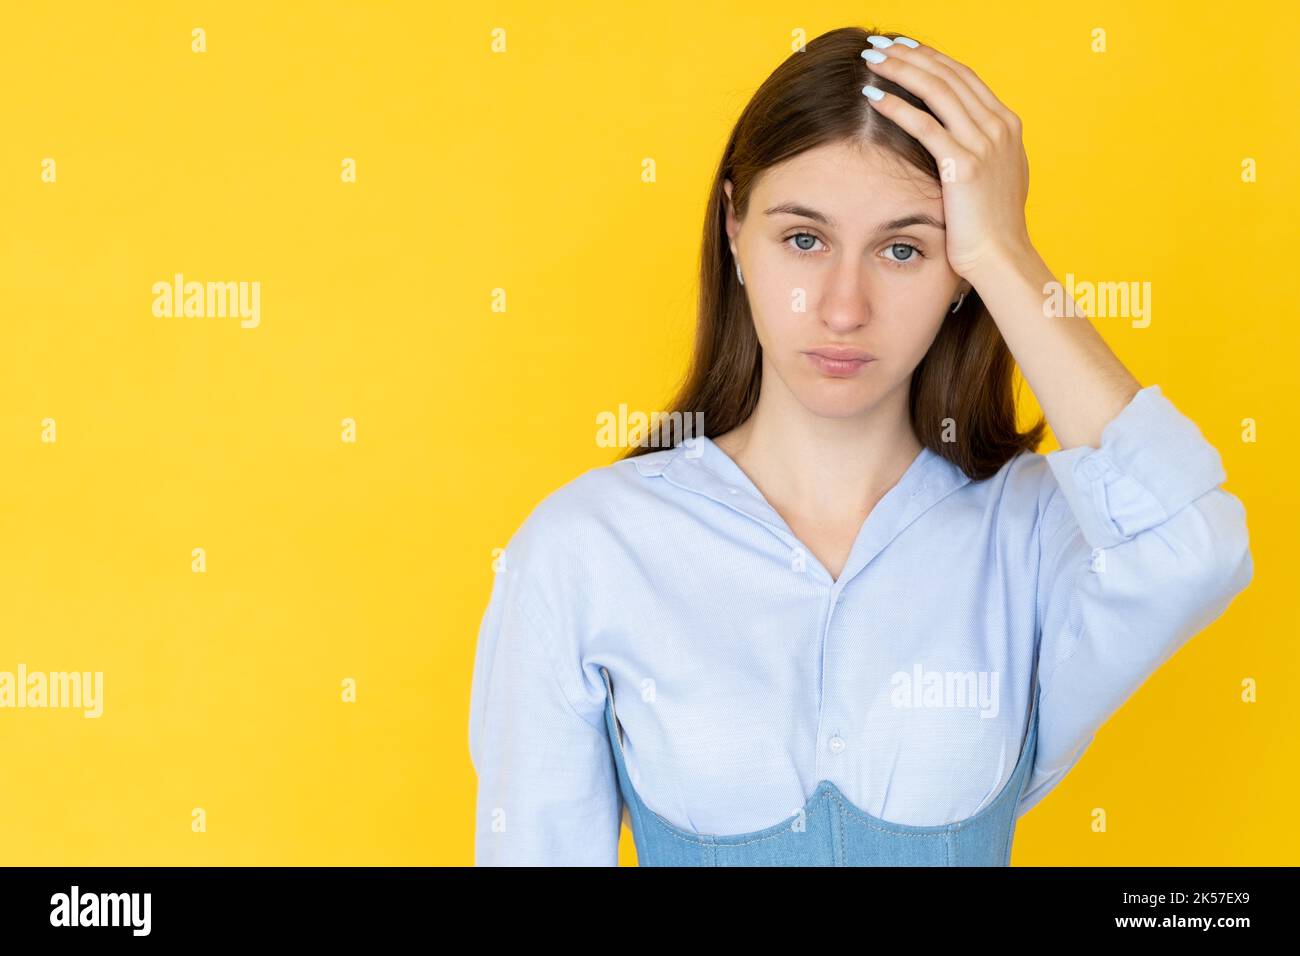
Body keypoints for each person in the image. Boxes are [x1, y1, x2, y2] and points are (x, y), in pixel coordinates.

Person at [467, 26, 1254, 865]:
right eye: (803, 240)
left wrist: (1005, 250)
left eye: (905, 249)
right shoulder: (586, 548)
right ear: (734, 228)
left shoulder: (1031, 534)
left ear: (960, 273)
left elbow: (1191, 547)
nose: (844, 308)